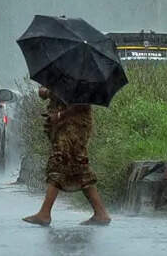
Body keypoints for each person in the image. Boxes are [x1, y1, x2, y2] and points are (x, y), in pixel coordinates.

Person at [23, 86, 111, 226]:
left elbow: (81, 101)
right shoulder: (62, 74)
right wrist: (47, 91)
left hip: (74, 127)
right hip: (63, 126)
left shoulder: (83, 78)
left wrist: (59, 116)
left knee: (59, 162)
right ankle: (100, 212)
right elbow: (52, 92)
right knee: (79, 167)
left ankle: (45, 213)